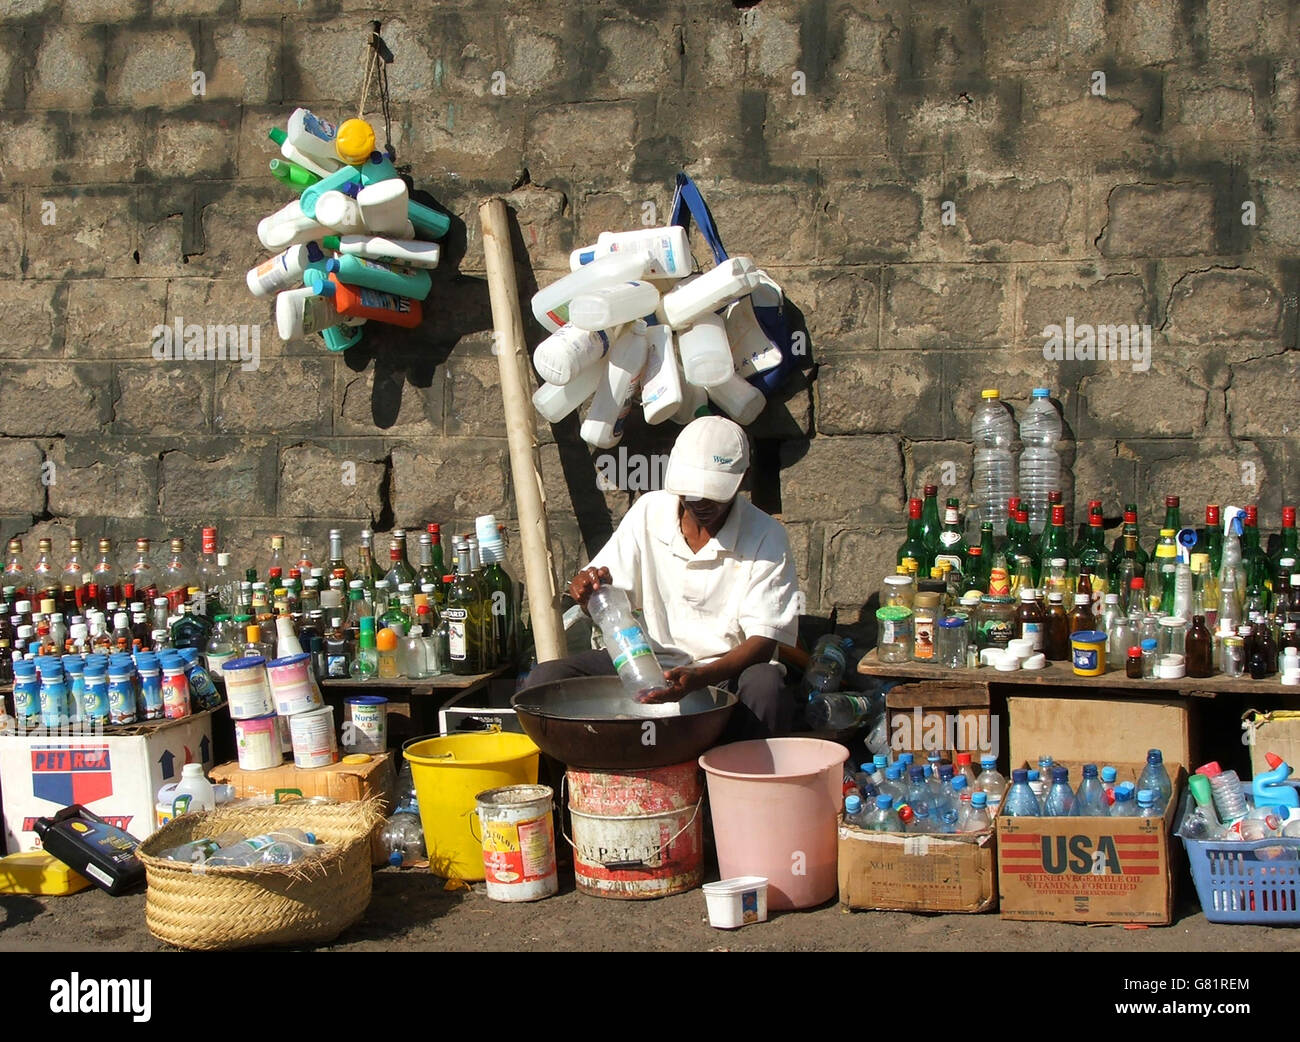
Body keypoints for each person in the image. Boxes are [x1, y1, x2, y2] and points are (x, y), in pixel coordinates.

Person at [522, 415, 800, 742]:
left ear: (743, 480)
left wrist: (699, 677)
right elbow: (609, 596)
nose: (700, 503)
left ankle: (748, 785)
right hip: (645, 661)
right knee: (547, 678)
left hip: (724, 672)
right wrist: (589, 592)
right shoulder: (649, 512)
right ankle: (565, 780)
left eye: (713, 494)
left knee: (765, 685)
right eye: (691, 492)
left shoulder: (767, 536)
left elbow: (763, 642)